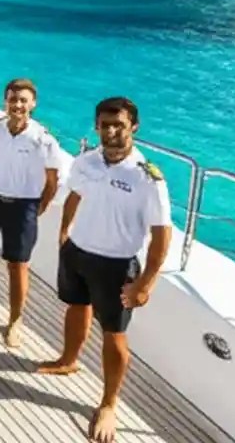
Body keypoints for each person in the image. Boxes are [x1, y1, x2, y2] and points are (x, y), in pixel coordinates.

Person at [37, 96, 172, 443]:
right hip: (78, 252)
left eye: (119, 125)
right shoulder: (86, 161)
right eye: (105, 125)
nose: (111, 132)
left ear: (134, 127)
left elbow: (162, 233)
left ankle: (109, 403)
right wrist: (64, 234)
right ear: (96, 126)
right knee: (75, 306)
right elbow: (75, 195)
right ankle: (68, 359)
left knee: (114, 333)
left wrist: (145, 283)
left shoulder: (147, 177)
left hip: (116, 265)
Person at [0, 78, 61, 349]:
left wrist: (38, 207)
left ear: (33, 104)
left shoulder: (44, 140)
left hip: (23, 206)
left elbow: (52, 182)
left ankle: (15, 321)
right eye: (12, 99)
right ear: (5, 102)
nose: (17, 105)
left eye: (23, 100)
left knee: (17, 265)